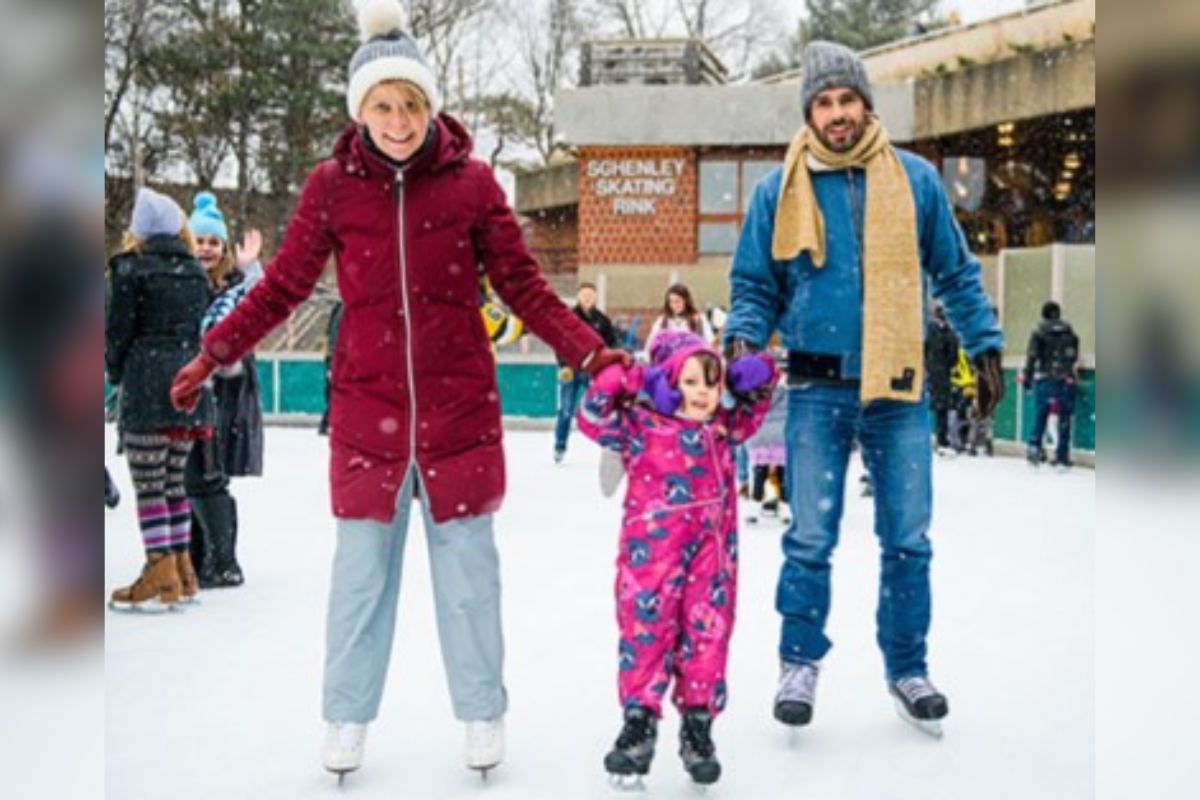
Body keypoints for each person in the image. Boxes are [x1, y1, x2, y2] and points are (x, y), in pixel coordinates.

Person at [167, 0, 627, 781]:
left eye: (410, 103)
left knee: (469, 579)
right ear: (361, 111)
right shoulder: (331, 187)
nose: (399, 120)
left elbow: (522, 285)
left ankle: (481, 711)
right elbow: (281, 287)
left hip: (459, 410)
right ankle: (346, 715)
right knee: (359, 579)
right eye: (382, 105)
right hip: (366, 412)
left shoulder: (473, 185)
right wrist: (213, 353)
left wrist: (590, 353)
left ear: (429, 105)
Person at [723, 40, 1005, 734]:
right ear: (809, 113)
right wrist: (743, 341)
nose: (837, 113)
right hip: (815, 388)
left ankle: (908, 666)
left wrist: (984, 345)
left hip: (898, 386)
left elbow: (955, 271)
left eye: (847, 99)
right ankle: (798, 662)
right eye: (824, 102)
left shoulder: (914, 180)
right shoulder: (779, 191)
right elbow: (754, 285)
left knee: (908, 538)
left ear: (866, 105)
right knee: (809, 536)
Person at [577, 330, 777, 787]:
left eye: (711, 381)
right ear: (667, 383)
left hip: (712, 556)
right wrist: (616, 379)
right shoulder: (640, 424)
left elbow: (760, 400)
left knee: (708, 633)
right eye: (689, 381)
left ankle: (698, 725)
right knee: (645, 632)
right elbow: (592, 418)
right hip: (651, 556)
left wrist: (759, 371)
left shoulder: (724, 426)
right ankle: (639, 722)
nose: (702, 392)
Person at [106, 187, 216, 612]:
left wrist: (116, 372)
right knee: (173, 482)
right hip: (189, 387)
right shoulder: (196, 272)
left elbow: (118, 332)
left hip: (148, 385)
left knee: (149, 484)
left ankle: (159, 568)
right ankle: (183, 569)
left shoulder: (130, 269)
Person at [184, 191, 265, 589]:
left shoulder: (233, 285)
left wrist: (249, 269)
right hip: (193, 384)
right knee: (190, 475)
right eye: (199, 240)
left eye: (213, 242)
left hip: (225, 388)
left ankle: (222, 559)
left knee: (208, 473)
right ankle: (199, 556)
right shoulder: (181, 280)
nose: (206, 248)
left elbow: (261, 304)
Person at [553, 282, 620, 463]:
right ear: (578, 297)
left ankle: (609, 445)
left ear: (595, 297)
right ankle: (560, 446)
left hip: (593, 371)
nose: (587, 298)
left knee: (603, 409)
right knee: (565, 410)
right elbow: (558, 342)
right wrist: (563, 365)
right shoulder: (568, 317)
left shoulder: (602, 320)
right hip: (570, 370)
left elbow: (612, 344)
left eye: (590, 295)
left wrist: (610, 363)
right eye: (584, 295)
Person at [1022, 300, 1080, 468]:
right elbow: (1073, 354)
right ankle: (1062, 456)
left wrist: (1028, 377)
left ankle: (1035, 449)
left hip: (1046, 377)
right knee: (1064, 418)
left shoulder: (1039, 332)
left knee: (1041, 416)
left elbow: (1032, 356)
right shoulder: (1070, 332)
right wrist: (1066, 368)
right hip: (1065, 378)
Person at [925, 303, 959, 454]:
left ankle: (923, 438)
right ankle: (942, 440)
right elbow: (954, 357)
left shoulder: (927, 331)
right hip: (943, 375)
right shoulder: (950, 333)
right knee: (942, 409)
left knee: (924, 406)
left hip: (928, 373)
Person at [646, 283, 713, 346]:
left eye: (677, 301)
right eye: (671, 301)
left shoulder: (698, 319)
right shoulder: (662, 320)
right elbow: (650, 344)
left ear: (686, 301)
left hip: (692, 354)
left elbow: (711, 342)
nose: (674, 305)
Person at [318, 299, 344, 436]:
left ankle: (328, 423)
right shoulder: (343, 308)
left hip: (335, 358)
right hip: (337, 359)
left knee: (333, 394)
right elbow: (334, 337)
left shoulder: (340, 307)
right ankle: (329, 423)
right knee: (335, 394)